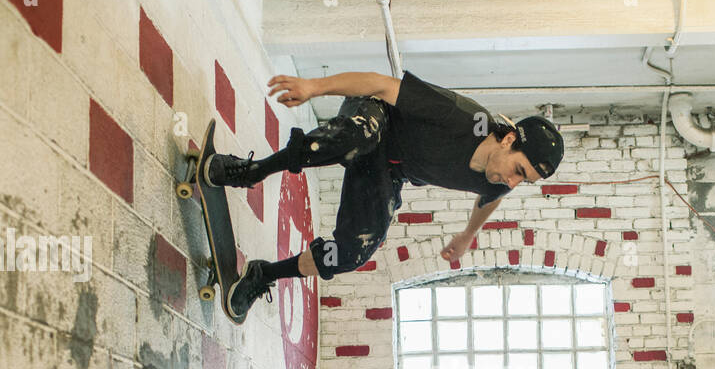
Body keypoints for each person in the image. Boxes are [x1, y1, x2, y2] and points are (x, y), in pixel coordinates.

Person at [201, 70, 565, 317]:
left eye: (524, 181)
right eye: (519, 170)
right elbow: (380, 84)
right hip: (375, 115)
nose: (513, 182)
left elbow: (492, 198)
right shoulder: (462, 118)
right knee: (357, 137)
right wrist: (313, 86)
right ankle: (248, 170)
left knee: (353, 251)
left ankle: (263, 274)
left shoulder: (498, 179)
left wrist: (468, 234)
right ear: (508, 138)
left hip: (388, 167)